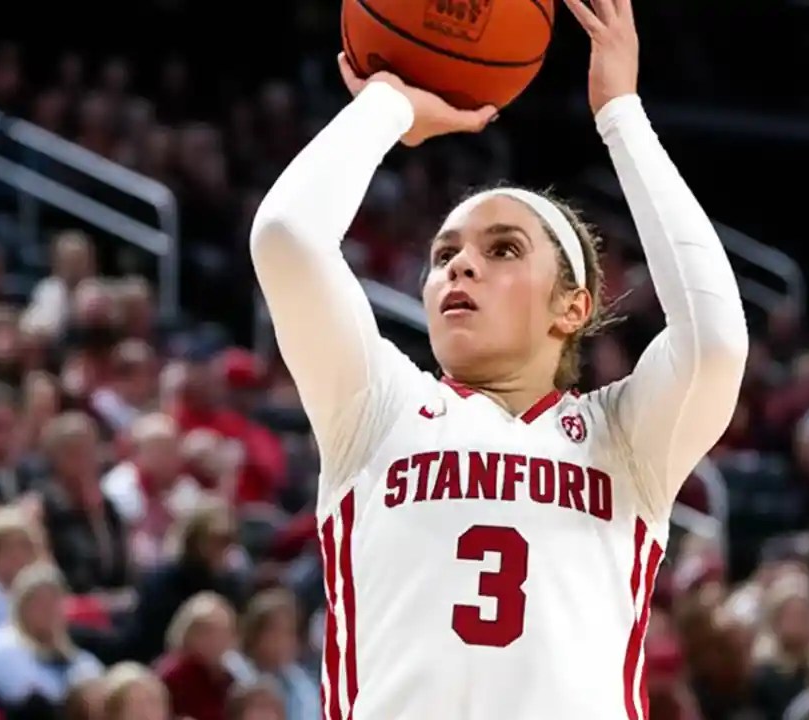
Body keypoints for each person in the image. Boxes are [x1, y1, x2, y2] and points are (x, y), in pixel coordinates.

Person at [250, 0, 747, 717]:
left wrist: (622, 117)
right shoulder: (378, 405)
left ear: (572, 307)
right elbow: (288, 235)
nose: (460, 268)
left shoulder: (625, 440)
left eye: (503, 249)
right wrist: (389, 101)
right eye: (443, 255)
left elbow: (717, 337)